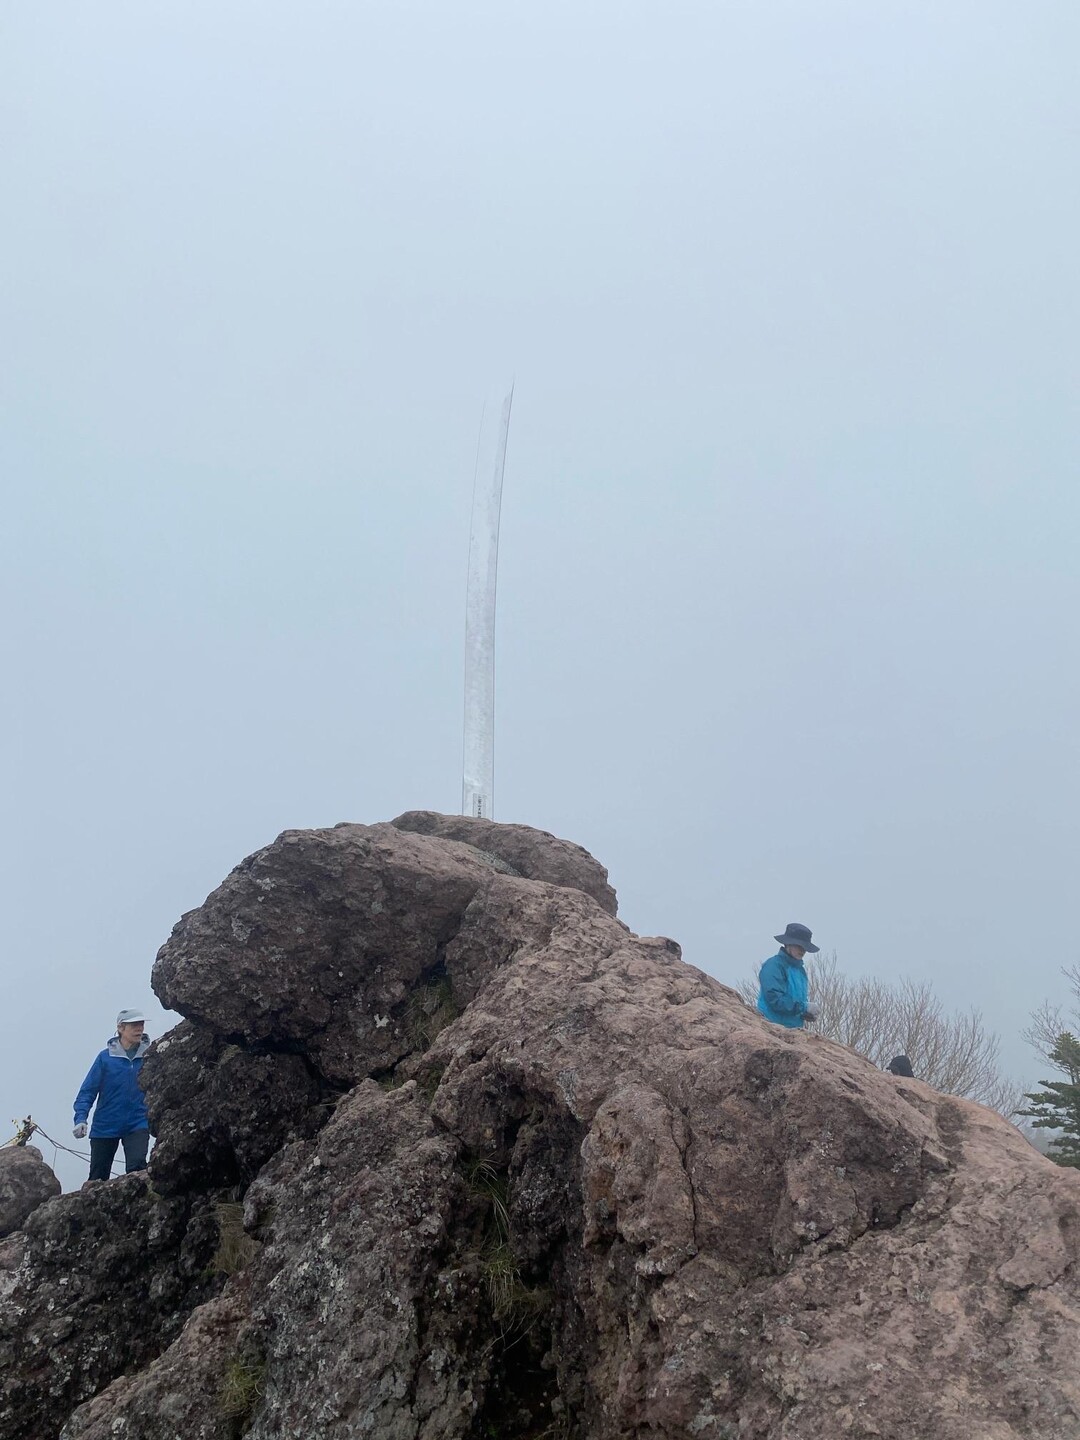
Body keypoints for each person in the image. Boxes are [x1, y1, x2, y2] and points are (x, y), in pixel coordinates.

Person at [73, 1009, 152, 1182]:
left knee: (138, 1171)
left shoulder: (150, 1055)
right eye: (134, 1025)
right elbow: (88, 1090)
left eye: (141, 1024)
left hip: (138, 1123)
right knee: (97, 1178)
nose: (139, 1028)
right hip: (105, 1125)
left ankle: (137, 1209)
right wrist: (80, 1118)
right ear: (121, 1028)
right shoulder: (105, 1058)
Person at [756, 922, 820, 1029]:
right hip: (769, 1027)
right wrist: (804, 1008)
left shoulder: (800, 971)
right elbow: (775, 1000)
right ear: (788, 944)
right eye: (799, 945)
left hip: (793, 1031)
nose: (802, 950)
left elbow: (795, 1002)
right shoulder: (773, 966)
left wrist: (804, 1014)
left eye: (805, 947)